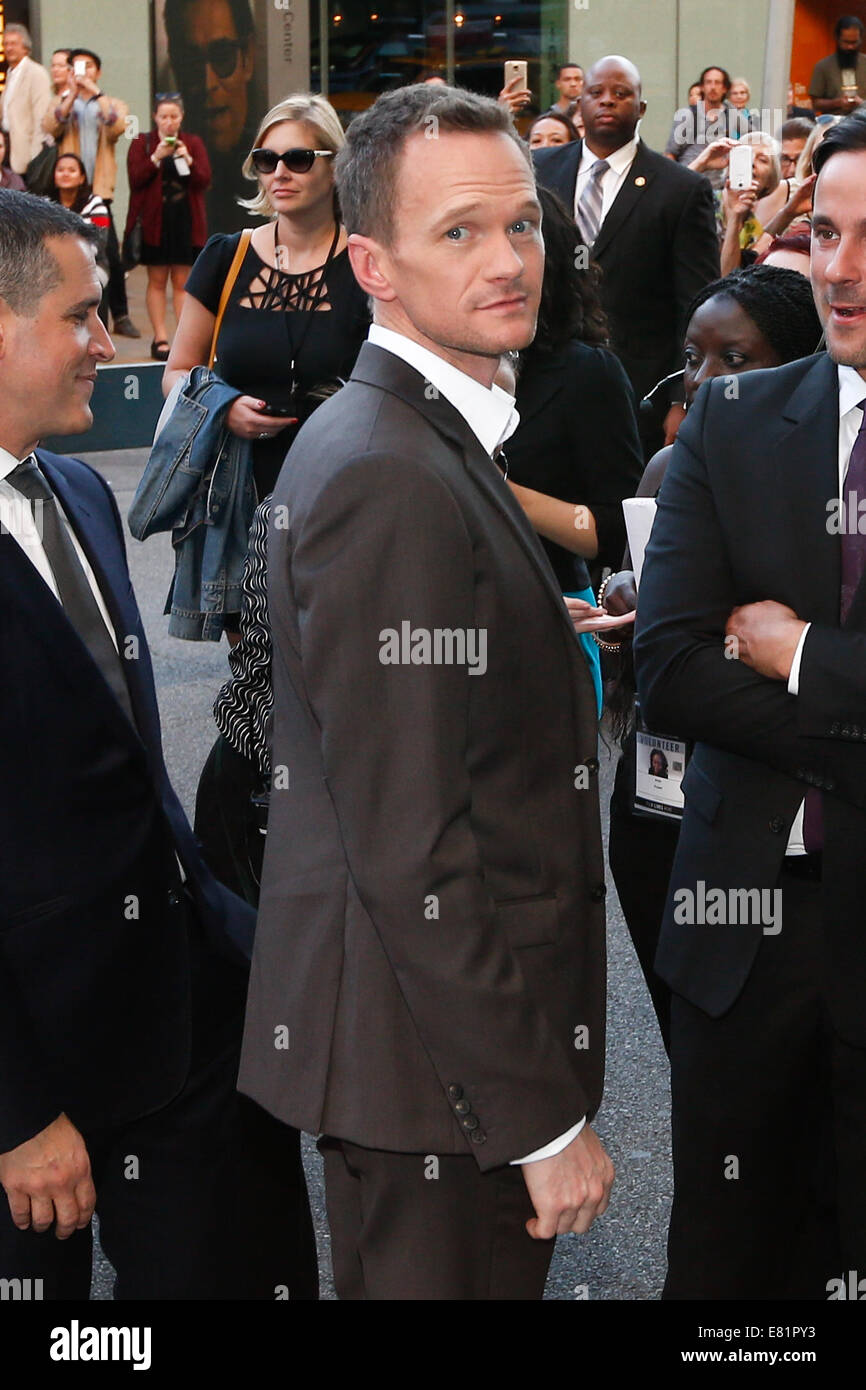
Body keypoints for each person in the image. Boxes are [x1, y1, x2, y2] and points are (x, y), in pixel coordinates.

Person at [237, 83, 614, 1301]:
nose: (508, 260)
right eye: (458, 232)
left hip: (424, 1066)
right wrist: (535, 1122)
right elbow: (411, 847)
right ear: (371, 263)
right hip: (436, 1083)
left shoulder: (417, 435)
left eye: (522, 226)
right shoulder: (389, 470)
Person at [0, 188, 260, 1300]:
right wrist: (12, 1114)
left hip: (166, 1015)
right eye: (80, 317)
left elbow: (124, 761)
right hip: (30, 1075)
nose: (106, 346)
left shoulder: (76, 493)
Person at [633, 110, 866, 1298]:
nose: (839, 268)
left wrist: (797, 657)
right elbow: (668, 664)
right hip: (744, 932)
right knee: (728, 1273)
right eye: (821, 232)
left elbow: (735, 668)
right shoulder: (727, 424)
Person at [601, 265, 823, 1053]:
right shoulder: (667, 472)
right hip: (657, 804)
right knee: (693, 1041)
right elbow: (662, 667)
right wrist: (629, 599)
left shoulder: (829, 488)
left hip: (771, 817)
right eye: (693, 358)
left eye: (735, 359)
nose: (702, 382)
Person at [165, 93, 369, 551]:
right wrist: (222, 409)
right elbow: (177, 372)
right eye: (266, 159)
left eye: (298, 159)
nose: (279, 172)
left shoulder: (365, 263)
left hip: (338, 488)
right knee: (243, 622)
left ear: (335, 165)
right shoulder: (225, 257)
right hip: (235, 486)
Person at [533, 55, 720, 454]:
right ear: (577, 103)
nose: (607, 101)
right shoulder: (537, 170)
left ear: (641, 108)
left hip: (640, 393)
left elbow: (696, 303)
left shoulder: (681, 190)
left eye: (621, 94)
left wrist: (679, 397)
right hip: (541, 378)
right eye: (596, 93)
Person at [505, 184, 644, 594]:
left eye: (518, 235)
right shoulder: (439, 367)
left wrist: (501, 492)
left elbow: (618, 533)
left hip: (553, 604)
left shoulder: (587, 374)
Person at [42, 47, 140, 340]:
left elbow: (117, 125)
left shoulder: (109, 102)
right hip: (67, 187)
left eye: (87, 67)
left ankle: (118, 315)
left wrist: (94, 93)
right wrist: (71, 93)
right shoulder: (62, 101)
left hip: (98, 187)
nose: (81, 72)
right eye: (76, 67)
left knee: (110, 253)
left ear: (97, 72)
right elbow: (51, 125)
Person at [163, 0, 262, 236]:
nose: (208, 83)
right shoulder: (171, 160)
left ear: (247, 56)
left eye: (222, 56)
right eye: (191, 61)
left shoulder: (273, 165)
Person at [126, 94, 211, 360]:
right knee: (157, 279)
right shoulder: (143, 142)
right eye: (164, 116)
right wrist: (156, 157)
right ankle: (160, 337)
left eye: (174, 116)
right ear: (155, 118)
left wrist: (187, 158)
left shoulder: (193, 143)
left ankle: (182, 338)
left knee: (183, 282)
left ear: (182, 117)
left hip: (185, 221)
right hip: (155, 223)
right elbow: (135, 178)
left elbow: (204, 180)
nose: (169, 122)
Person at [664, 65, 754, 189]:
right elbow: (670, 154)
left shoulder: (731, 114)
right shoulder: (687, 115)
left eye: (717, 83)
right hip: (688, 182)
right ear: (702, 87)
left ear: (725, 88)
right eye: (708, 82)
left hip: (717, 187)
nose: (713, 87)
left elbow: (753, 138)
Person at [0, 24, 51, 178]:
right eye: (5, 44)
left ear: (25, 48)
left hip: (26, 158)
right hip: (9, 152)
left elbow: (41, 117)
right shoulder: (10, 74)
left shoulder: (36, 73)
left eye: (14, 44)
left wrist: (34, 159)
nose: (9, 48)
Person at [809, 14, 866, 115]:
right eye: (846, 42)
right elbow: (815, 103)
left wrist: (862, 104)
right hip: (834, 125)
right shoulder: (823, 66)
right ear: (837, 38)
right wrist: (837, 103)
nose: (850, 47)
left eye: (854, 43)